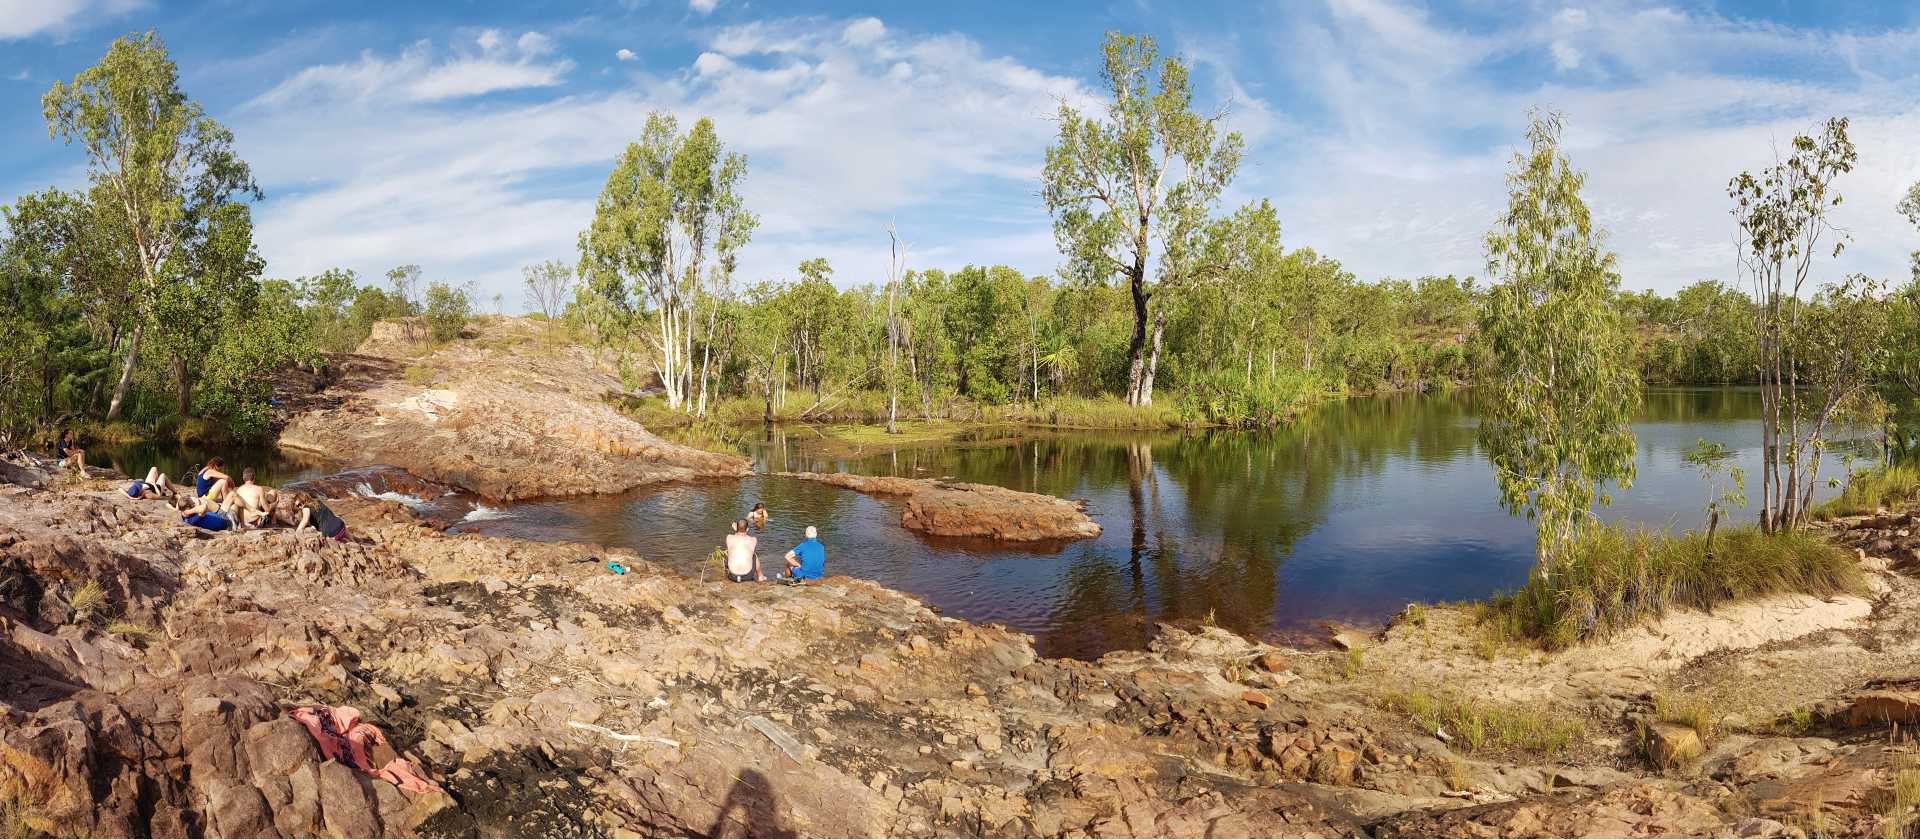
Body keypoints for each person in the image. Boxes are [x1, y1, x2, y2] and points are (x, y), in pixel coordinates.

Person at [273, 492, 349, 540]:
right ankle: (353, 541)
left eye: (300, 504)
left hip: (332, 534)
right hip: (342, 527)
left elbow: (305, 520)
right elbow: (330, 514)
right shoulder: (318, 502)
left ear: (305, 500)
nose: (300, 507)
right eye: (298, 506)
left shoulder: (306, 508)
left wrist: (297, 532)